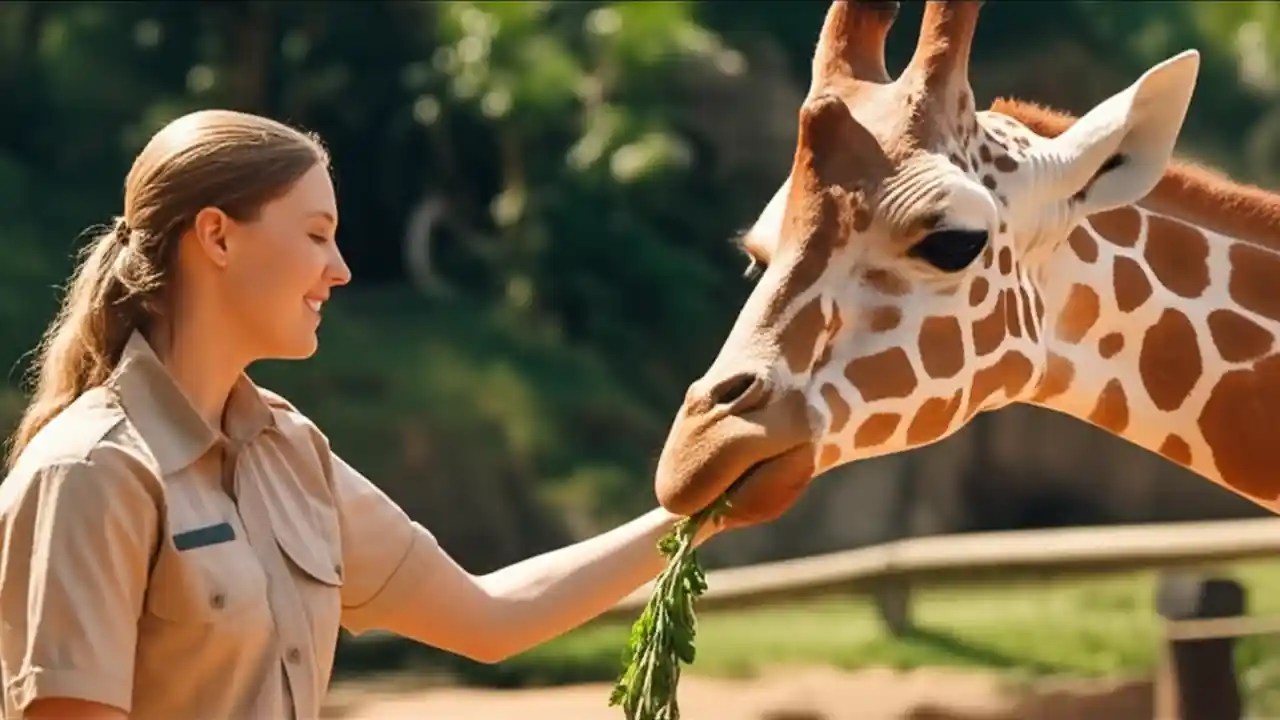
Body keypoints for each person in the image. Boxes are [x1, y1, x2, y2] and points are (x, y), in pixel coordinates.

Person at [0, 109, 768, 720]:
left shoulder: (290, 452)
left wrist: (707, 509)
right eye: (315, 235)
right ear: (216, 236)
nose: (340, 270)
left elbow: (489, 616)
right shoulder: (90, 471)